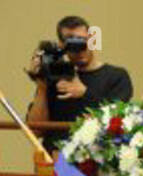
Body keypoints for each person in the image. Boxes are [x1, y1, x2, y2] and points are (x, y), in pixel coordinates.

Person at [25, 15, 132, 152]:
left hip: (97, 161)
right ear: (62, 45)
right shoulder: (56, 75)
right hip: (57, 161)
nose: (79, 48)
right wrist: (41, 86)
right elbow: (35, 131)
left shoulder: (116, 76)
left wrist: (84, 93)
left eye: (83, 41)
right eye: (72, 42)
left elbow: (117, 120)